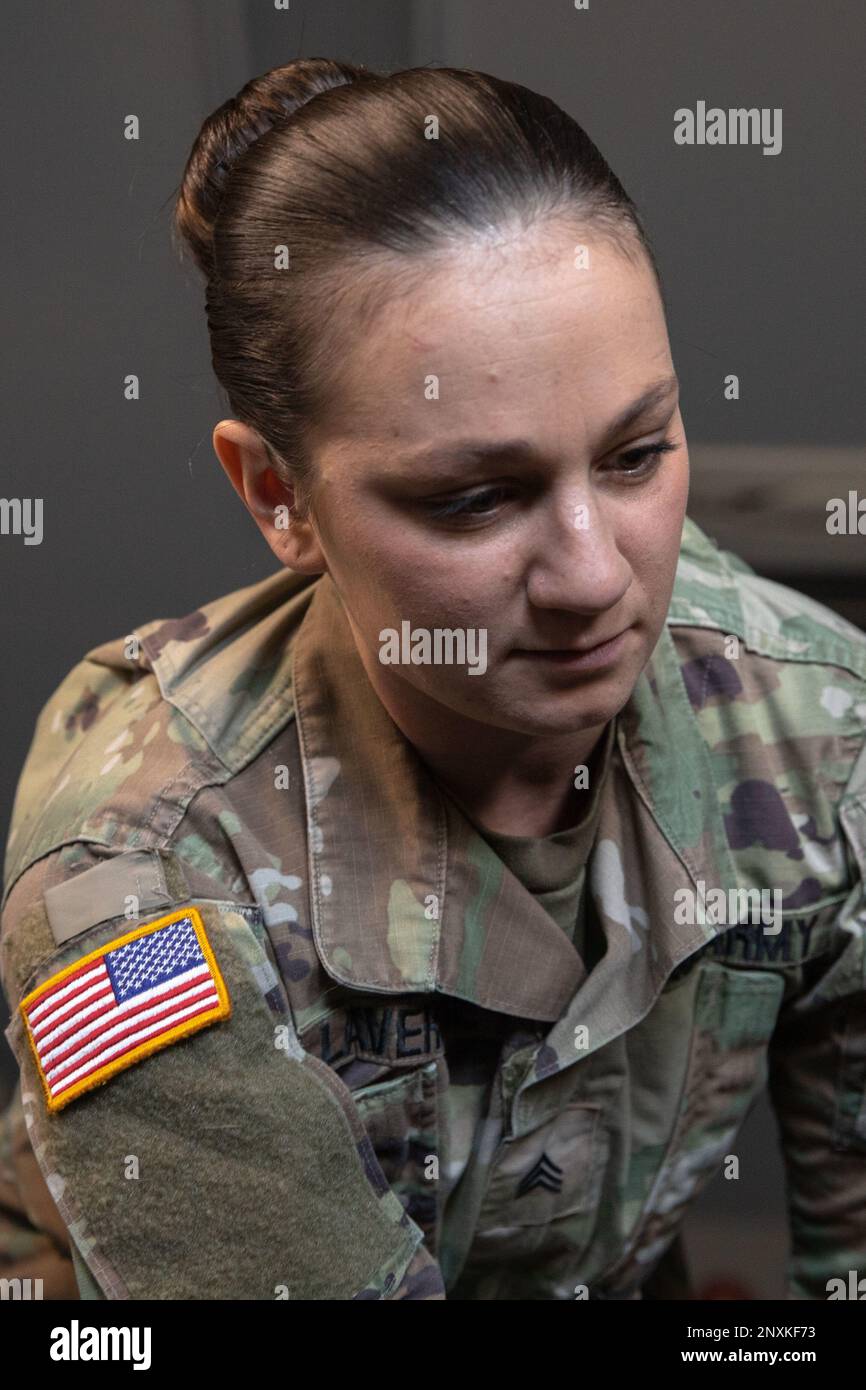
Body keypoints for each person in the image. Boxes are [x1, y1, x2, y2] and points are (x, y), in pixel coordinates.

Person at [1, 56, 864, 1302]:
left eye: (634, 455)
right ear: (277, 497)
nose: (588, 575)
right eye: (474, 498)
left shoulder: (814, 726)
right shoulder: (137, 882)